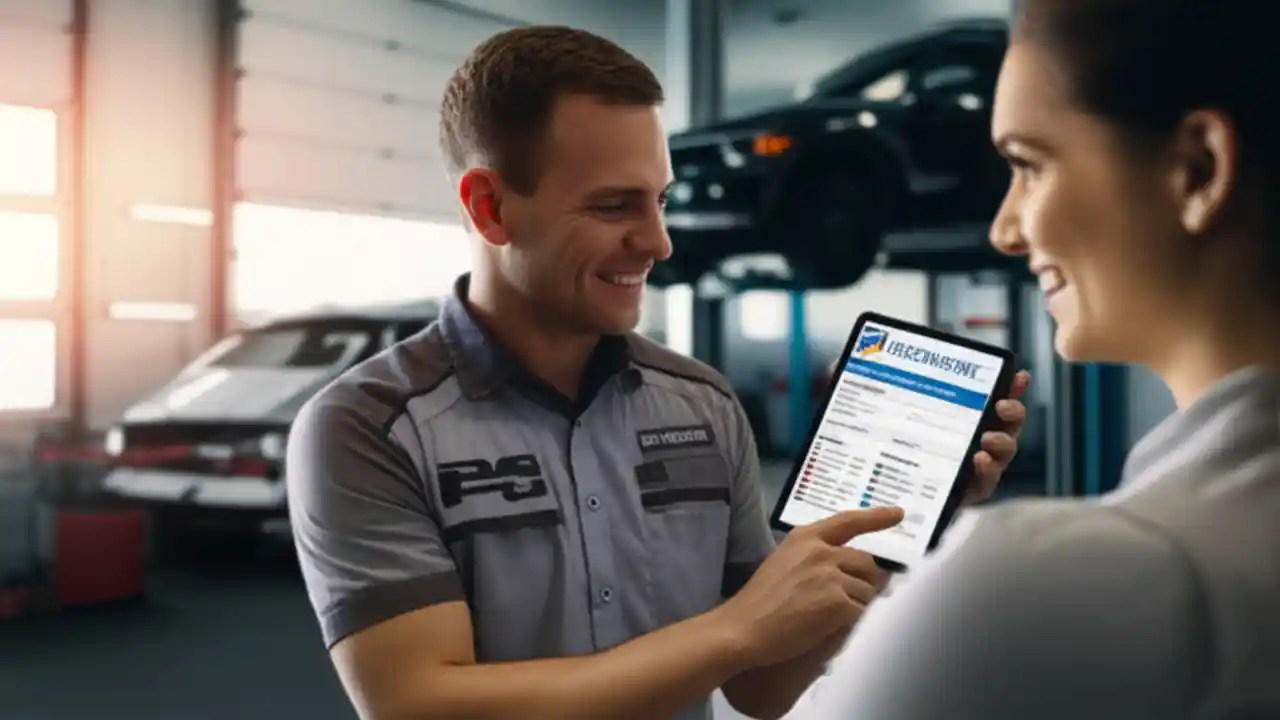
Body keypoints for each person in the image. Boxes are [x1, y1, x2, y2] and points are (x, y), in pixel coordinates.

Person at [285, 26, 1029, 720]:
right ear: (489, 208)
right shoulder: (368, 427)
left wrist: (897, 532)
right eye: (614, 206)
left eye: (661, 200)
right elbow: (419, 704)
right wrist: (737, 629)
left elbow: (761, 686)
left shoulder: (704, 405)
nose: (659, 242)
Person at [791, 1, 1280, 718]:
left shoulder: (1055, 580)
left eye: (1029, 164)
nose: (1006, 230)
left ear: (1198, 169)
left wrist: (929, 587)